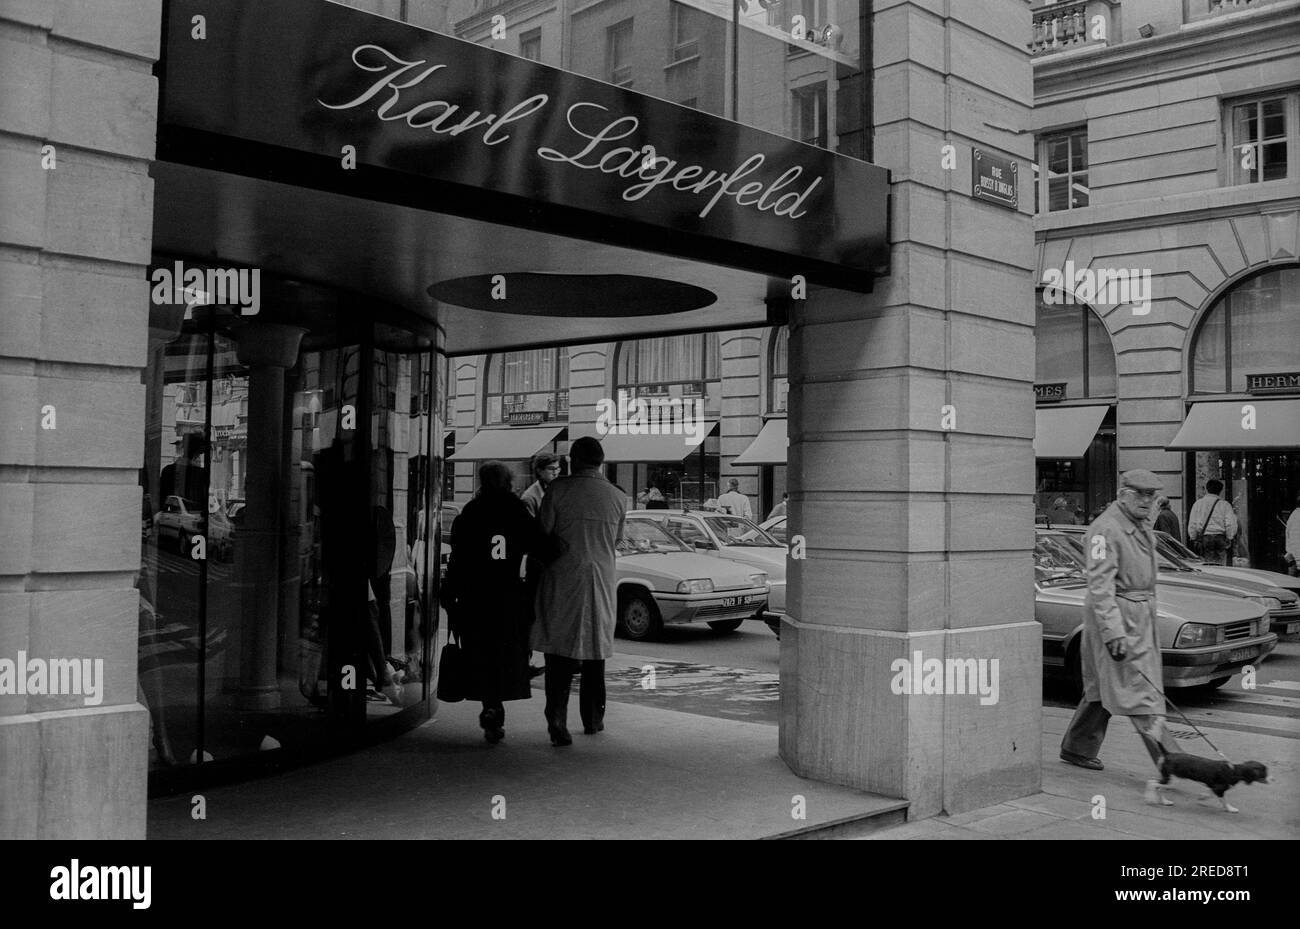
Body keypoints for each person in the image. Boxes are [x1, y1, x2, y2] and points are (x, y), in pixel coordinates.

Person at [1059, 470, 1179, 788]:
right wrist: (1114, 633)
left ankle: (1076, 747)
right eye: (1139, 494)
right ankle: (1173, 760)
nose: (1146, 501)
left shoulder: (1137, 523)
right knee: (1142, 693)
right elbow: (1099, 587)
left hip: (1136, 617)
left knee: (1101, 688)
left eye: (1151, 495)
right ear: (1122, 494)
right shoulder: (1104, 531)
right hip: (1119, 620)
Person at [531, 436, 626, 745]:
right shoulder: (617, 497)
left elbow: (542, 534)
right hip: (600, 580)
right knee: (596, 654)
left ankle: (556, 719)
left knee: (559, 654)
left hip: (562, 578)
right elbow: (616, 540)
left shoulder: (557, 489)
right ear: (601, 462)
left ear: (572, 459)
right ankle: (593, 719)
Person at [440, 461, 540, 743]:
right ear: (508, 482)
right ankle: (496, 706)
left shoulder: (471, 512)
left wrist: (449, 593)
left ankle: (491, 707)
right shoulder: (517, 510)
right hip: (509, 595)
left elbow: (457, 560)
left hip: (476, 597)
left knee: (482, 653)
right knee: (507, 653)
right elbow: (539, 546)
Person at [1187, 478, 1239, 565]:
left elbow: (1193, 523)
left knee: (1206, 564)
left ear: (1207, 489)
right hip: (1220, 538)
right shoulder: (1225, 504)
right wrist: (1230, 537)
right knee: (1221, 564)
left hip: (1205, 538)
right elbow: (1230, 523)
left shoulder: (1198, 504)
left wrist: (1193, 537)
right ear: (1220, 491)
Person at [520, 452, 561, 518]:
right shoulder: (529, 498)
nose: (555, 473)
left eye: (557, 468)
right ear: (539, 471)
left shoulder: (559, 490)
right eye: (551, 469)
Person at [1285, 492, 1300, 578]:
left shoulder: (1295, 515)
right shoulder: (1297, 517)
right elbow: (1296, 542)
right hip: (1296, 563)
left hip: (1294, 561)